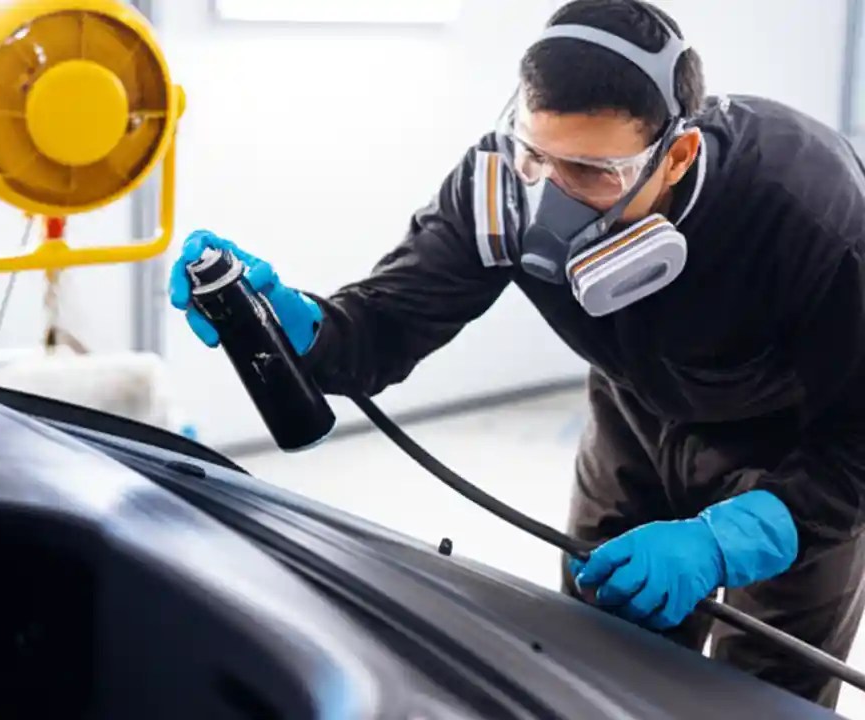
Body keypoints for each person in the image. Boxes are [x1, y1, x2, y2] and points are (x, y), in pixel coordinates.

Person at [167, 0, 865, 709]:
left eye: (594, 173)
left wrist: (729, 539)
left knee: (767, 691)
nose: (552, 201)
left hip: (797, 449)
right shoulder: (502, 187)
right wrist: (294, 324)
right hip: (635, 418)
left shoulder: (813, 219)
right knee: (599, 656)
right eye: (537, 154)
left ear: (677, 156)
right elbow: (380, 329)